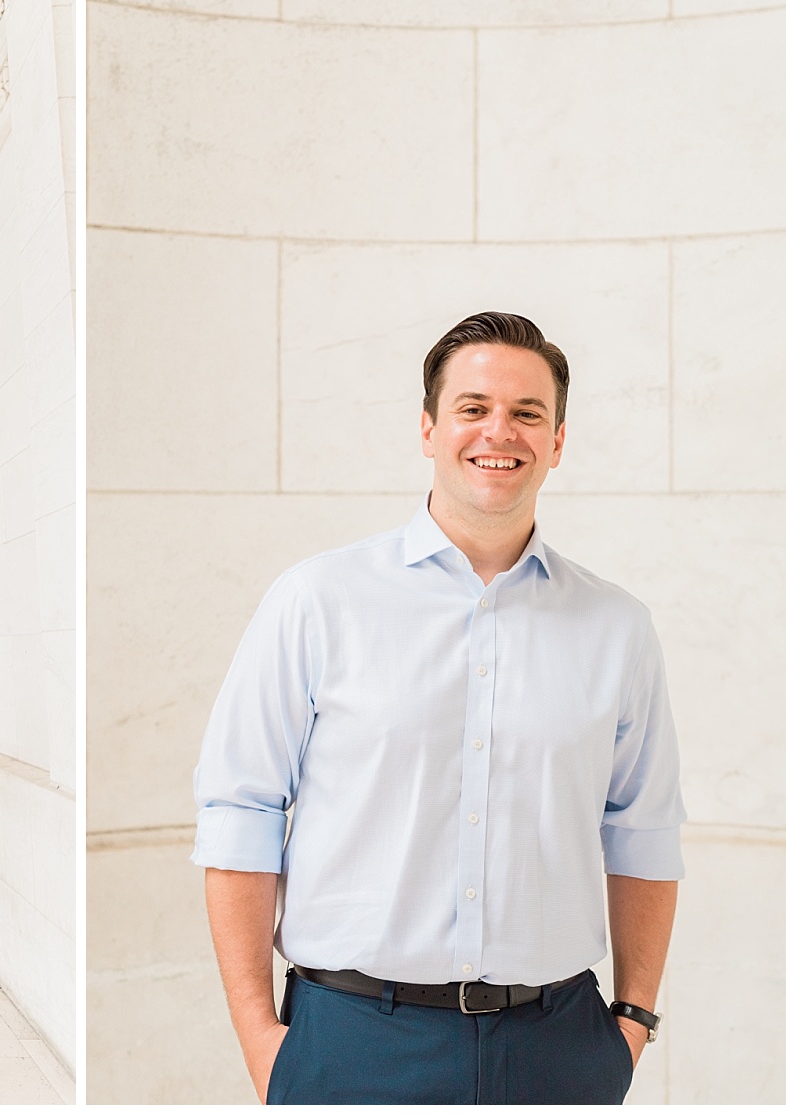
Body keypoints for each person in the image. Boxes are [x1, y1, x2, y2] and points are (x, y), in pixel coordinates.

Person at [193, 312, 685, 1105]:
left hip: (559, 1047)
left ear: (558, 440)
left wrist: (630, 1022)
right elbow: (239, 809)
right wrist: (260, 1038)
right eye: (473, 407)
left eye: (528, 412)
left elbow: (644, 829)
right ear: (428, 428)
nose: (501, 431)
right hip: (352, 1042)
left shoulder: (617, 627)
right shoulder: (317, 600)